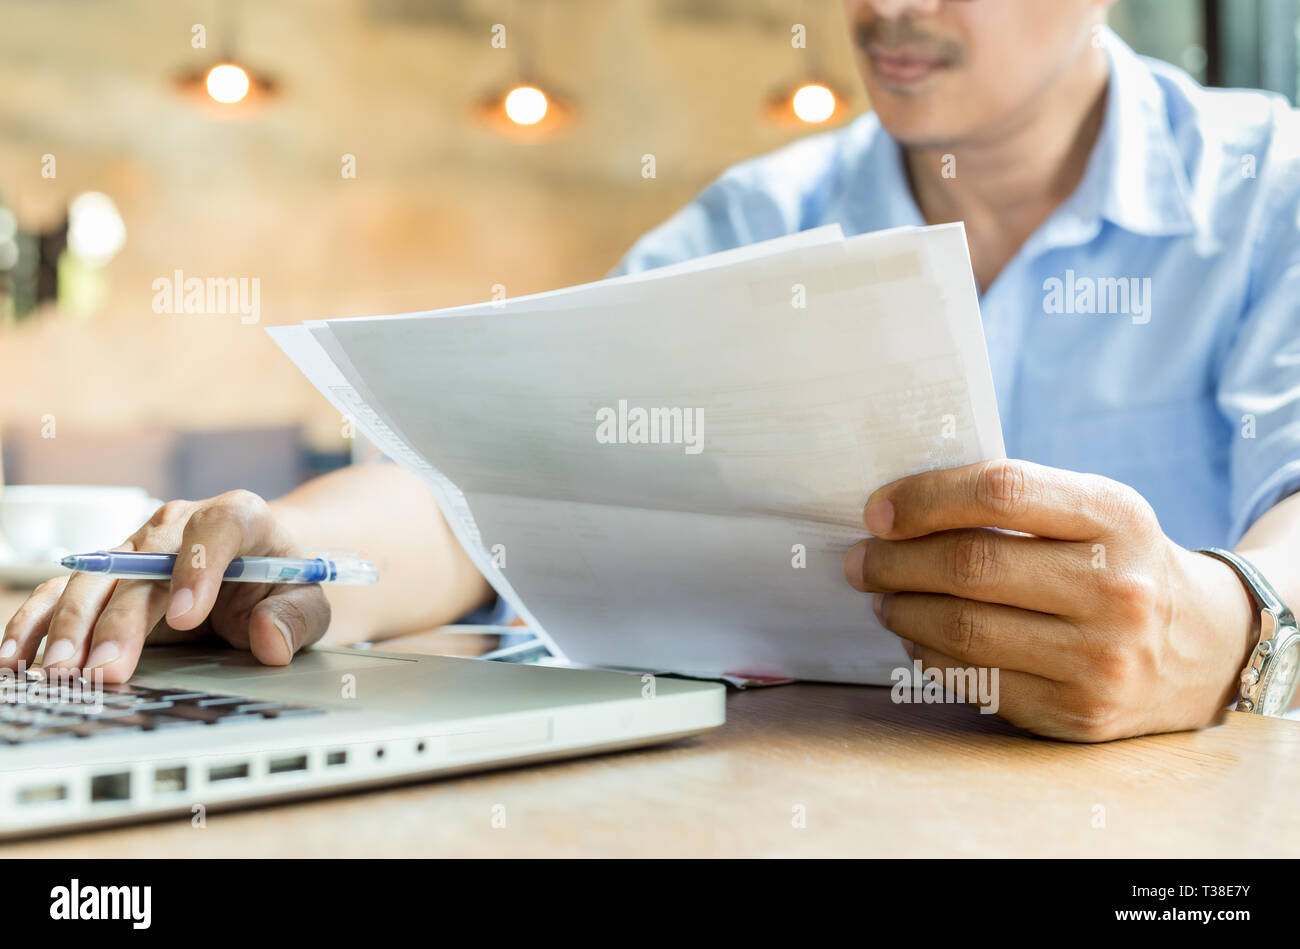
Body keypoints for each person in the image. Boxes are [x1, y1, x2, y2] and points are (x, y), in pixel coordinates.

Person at [4, 0, 1298, 741]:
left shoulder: (1269, 193)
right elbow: (506, 481)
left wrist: (1236, 623)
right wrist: (296, 559)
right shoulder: (757, 217)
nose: (890, 10)